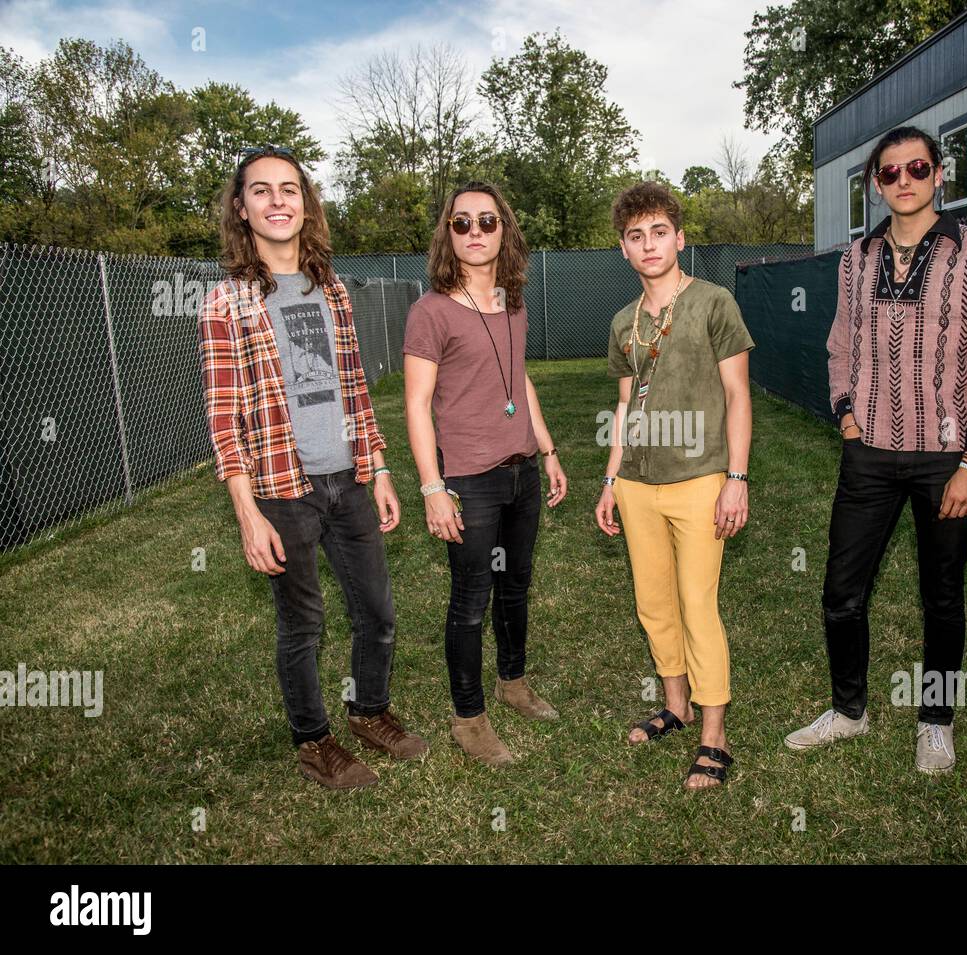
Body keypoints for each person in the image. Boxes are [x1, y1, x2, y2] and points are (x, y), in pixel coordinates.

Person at [784, 126, 967, 773]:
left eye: (917, 167)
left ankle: (936, 721)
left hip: (947, 459)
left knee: (941, 594)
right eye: (890, 172)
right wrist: (848, 416)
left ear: (940, 174)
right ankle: (849, 711)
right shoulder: (855, 260)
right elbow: (839, 346)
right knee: (840, 590)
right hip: (870, 454)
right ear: (876, 185)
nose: (904, 179)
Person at [199, 144, 427, 790]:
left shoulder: (331, 289)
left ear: (306, 204)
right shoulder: (225, 302)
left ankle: (370, 711)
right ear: (241, 209)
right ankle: (314, 740)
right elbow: (223, 416)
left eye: (290, 189)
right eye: (262, 191)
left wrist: (379, 469)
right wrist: (247, 513)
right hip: (281, 488)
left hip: (349, 478)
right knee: (303, 623)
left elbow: (355, 387)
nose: (278, 201)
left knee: (377, 612)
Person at [596, 181, 754, 790]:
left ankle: (715, 735)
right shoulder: (621, 322)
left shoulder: (713, 302)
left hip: (700, 480)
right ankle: (677, 705)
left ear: (679, 237)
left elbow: (738, 396)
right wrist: (610, 481)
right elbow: (624, 405)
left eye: (659, 231)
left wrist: (735, 479)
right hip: (637, 484)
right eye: (636, 236)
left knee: (697, 604)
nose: (649, 243)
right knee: (653, 603)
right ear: (624, 250)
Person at [403, 181, 568, 767]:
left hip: (522, 470)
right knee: (470, 600)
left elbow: (519, 380)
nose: (475, 233)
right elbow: (416, 405)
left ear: (506, 231)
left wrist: (546, 448)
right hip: (468, 480)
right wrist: (432, 487)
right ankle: (468, 718)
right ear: (447, 234)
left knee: (516, 586)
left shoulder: (514, 301)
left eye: (487, 222)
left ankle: (513, 682)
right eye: (462, 223)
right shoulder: (430, 311)